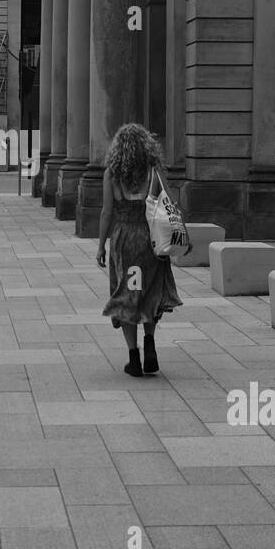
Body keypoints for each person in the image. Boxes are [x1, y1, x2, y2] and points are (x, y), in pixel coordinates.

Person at [96, 123, 183, 377]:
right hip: (150, 239)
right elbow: (168, 203)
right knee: (150, 292)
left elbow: (106, 212)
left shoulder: (112, 174)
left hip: (123, 240)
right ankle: (150, 345)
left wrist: (101, 246)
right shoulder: (152, 171)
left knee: (127, 293)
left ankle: (133, 358)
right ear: (146, 146)